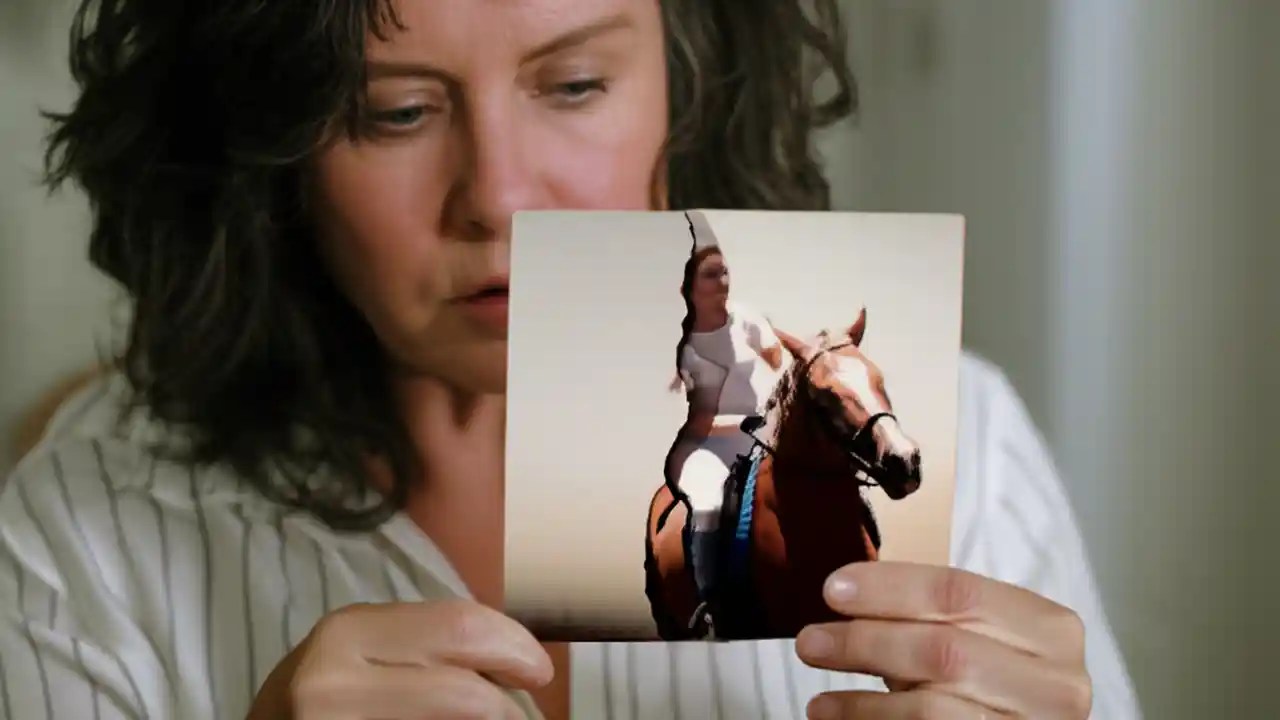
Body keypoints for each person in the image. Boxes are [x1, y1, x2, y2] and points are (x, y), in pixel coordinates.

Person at [0, 0, 1142, 718]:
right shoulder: (81, 536)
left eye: (575, 85)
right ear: (270, 151)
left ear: (687, 83)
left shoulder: (971, 450)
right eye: (395, 111)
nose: (497, 196)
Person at [664, 243, 783, 625]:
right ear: (689, 288)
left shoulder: (746, 319)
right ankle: (708, 599)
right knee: (708, 500)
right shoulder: (684, 344)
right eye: (711, 274)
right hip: (707, 444)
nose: (723, 281)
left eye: (725, 271)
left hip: (758, 434)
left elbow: (780, 362)